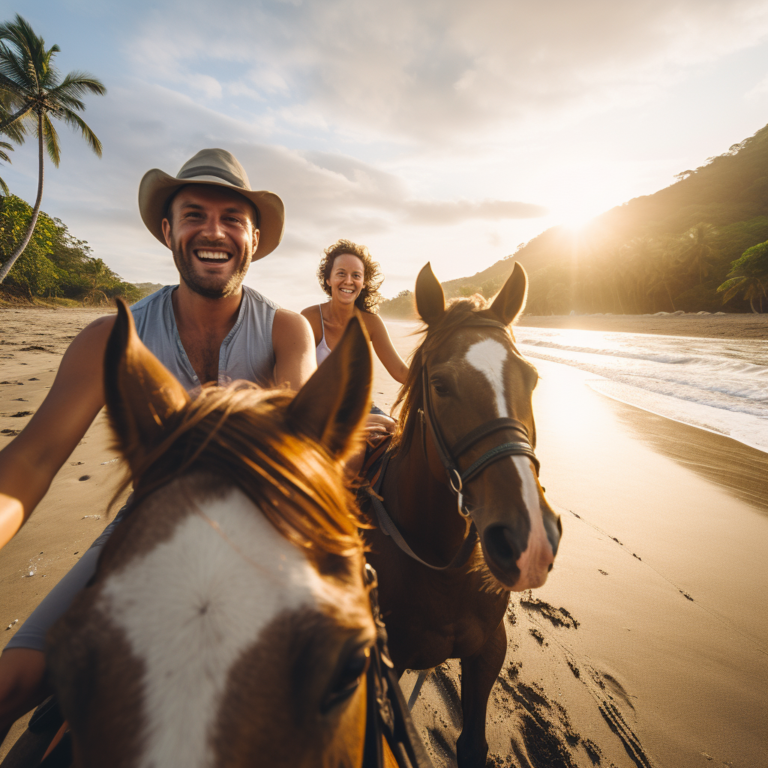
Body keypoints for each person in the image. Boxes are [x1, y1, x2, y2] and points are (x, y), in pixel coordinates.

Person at [0, 148, 316, 743]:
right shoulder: (112, 337)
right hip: (142, 527)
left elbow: (297, 441)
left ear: (253, 238)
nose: (214, 231)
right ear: (168, 231)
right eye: (194, 214)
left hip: (259, 534)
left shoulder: (285, 329)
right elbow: (33, 458)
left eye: (232, 219)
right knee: (11, 682)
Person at [301, 240, 408, 410]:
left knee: (392, 433)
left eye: (356, 275)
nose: (348, 281)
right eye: (341, 273)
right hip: (317, 410)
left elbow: (401, 373)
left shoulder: (372, 323)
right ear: (328, 279)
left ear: (363, 282)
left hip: (360, 409)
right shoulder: (310, 318)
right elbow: (300, 381)